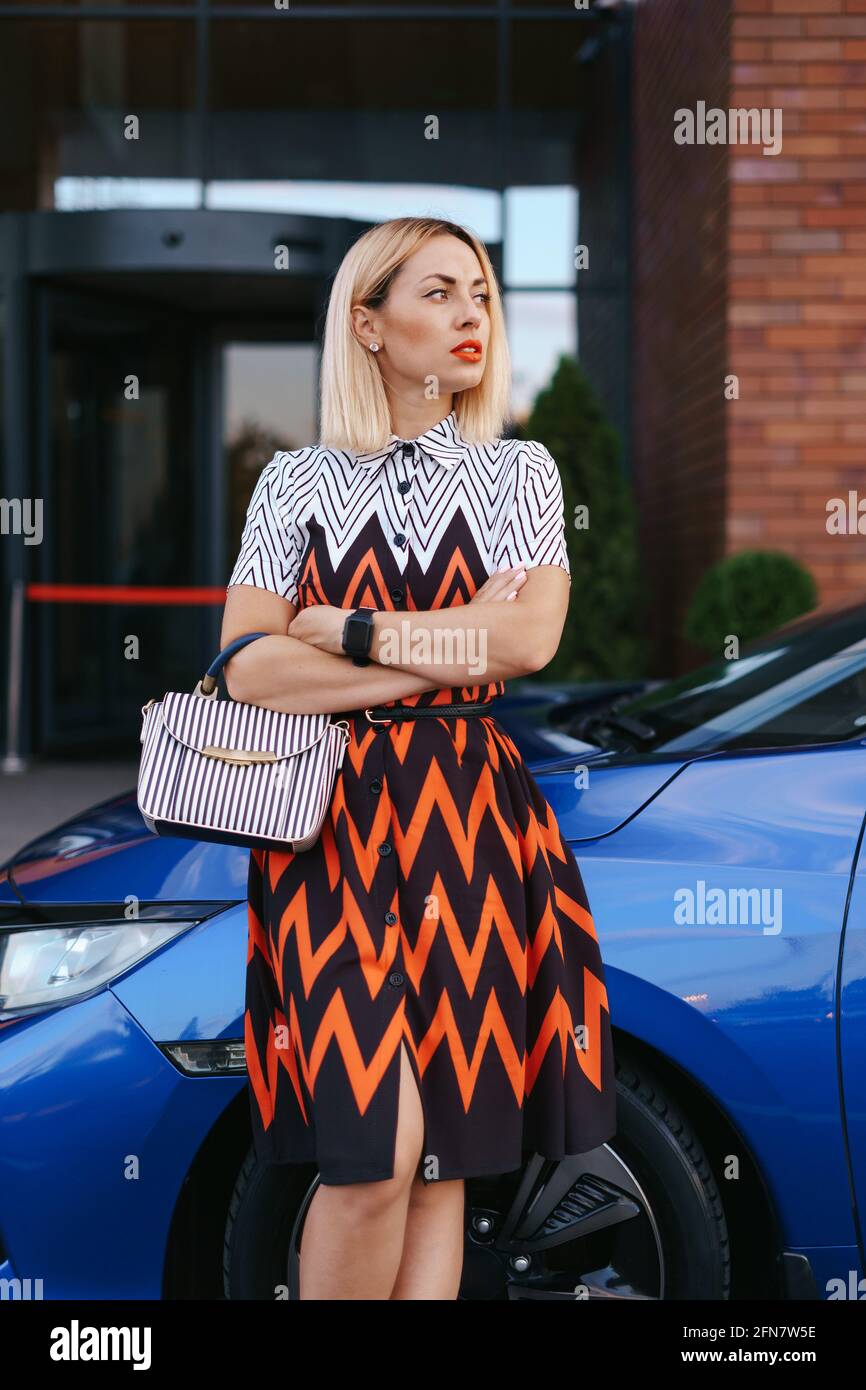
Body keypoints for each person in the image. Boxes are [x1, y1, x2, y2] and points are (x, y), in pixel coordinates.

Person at [221, 215, 617, 1300]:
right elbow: (246, 672)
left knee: (445, 1162)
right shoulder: (293, 483)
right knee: (372, 1156)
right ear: (367, 321)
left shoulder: (517, 472)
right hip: (326, 830)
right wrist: (444, 659)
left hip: (472, 827)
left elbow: (529, 642)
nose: (469, 315)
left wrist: (343, 630)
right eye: (438, 292)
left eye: (481, 294)